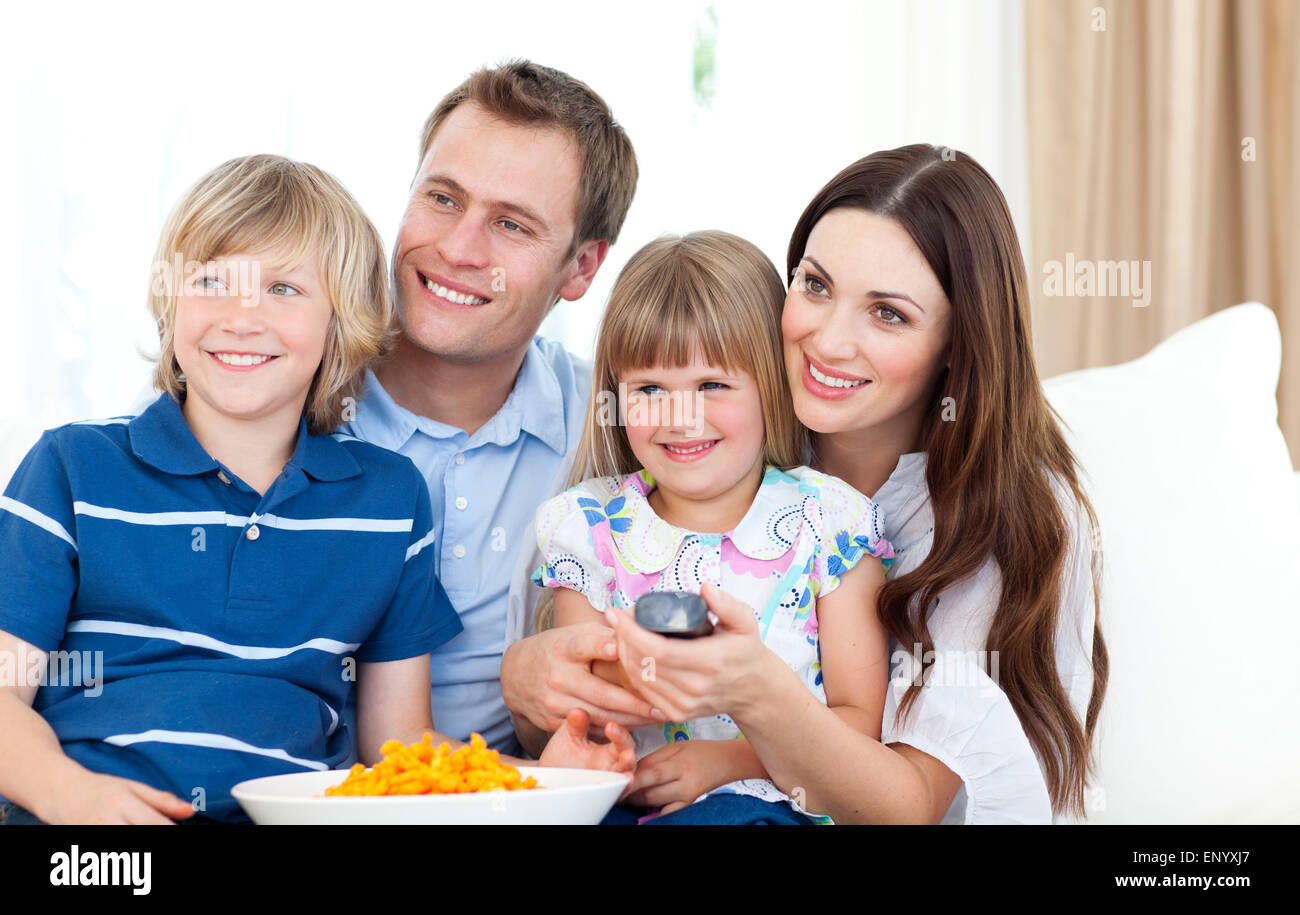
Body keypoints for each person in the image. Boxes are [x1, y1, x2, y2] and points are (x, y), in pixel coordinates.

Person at [0, 154, 633, 825]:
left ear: (341, 320)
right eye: (211, 281)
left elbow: (398, 745)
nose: (242, 318)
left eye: (284, 289)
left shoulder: (389, 502)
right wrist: (69, 796)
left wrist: (542, 779)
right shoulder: (72, 467)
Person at [502, 144, 1108, 824]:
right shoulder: (708, 455)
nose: (827, 341)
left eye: (889, 313)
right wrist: (527, 680)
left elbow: (904, 805)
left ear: (958, 344)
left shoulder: (973, 519)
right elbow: (565, 718)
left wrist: (747, 709)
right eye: (816, 286)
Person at [528, 232, 895, 824]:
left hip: (775, 806)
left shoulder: (829, 523)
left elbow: (859, 723)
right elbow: (586, 705)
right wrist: (613, 709)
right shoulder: (588, 527)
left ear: (770, 384)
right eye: (650, 389)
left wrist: (730, 762)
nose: (680, 418)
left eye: (712, 385)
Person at [335, 60, 647, 756]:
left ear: (582, 267)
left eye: (511, 224)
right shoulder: (274, 392)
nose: (457, 249)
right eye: (442, 198)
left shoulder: (621, 431)